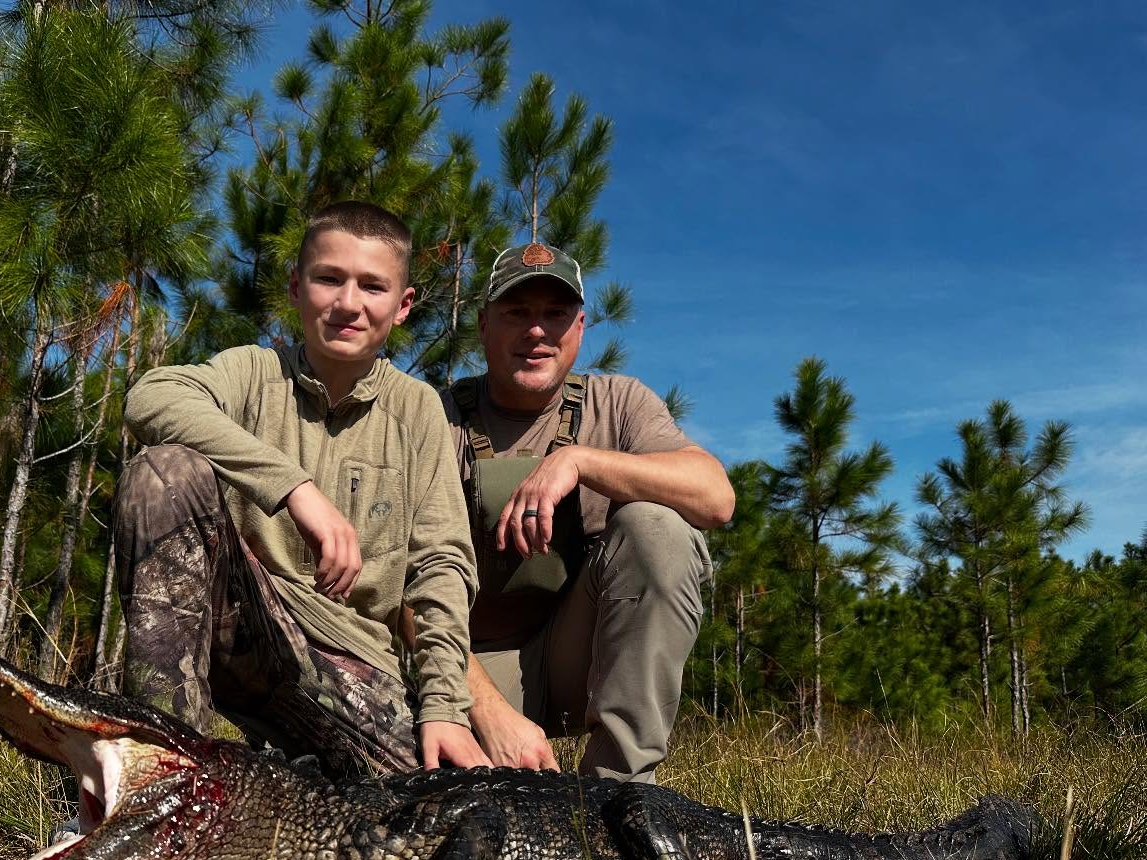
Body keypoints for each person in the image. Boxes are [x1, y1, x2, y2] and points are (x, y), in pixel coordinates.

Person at [116, 201, 489, 779]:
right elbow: (151, 397)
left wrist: (444, 707)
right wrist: (295, 488)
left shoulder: (419, 411)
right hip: (243, 613)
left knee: (424, 804)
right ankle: (160, 777)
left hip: (352, 656)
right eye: (328, 279)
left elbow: (440, 566)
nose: (348, 303)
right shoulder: (251, 372)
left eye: (372, 286)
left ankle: (275, 768)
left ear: (403, 305)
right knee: (163, 472)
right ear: (295, 287)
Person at [441, 241, 735, 783]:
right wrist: (486, 710)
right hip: (464, 673)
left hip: (580, 662)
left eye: (554, 314)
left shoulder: (620, 403)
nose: (536, 331)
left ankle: (618, 799)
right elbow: (397, 585)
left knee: (658, 529)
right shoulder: (434, 418)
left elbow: (715, 497)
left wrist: (579, 462)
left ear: (579, 327)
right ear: (483, 325)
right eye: (516, 313)